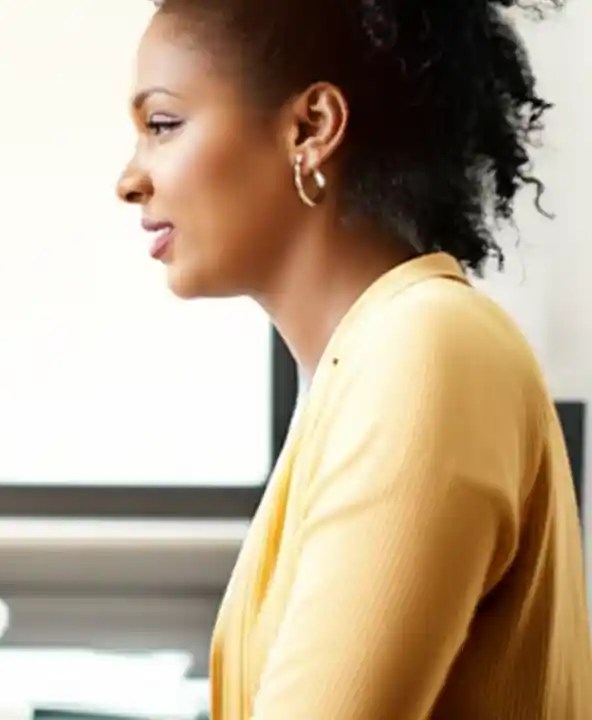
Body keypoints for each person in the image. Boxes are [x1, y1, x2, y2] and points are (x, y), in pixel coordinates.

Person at [115, 1, 592, 718]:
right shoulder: (358, 369)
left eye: (163, 126)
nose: (130, 179)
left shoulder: (427, 352)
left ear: (310, 128)